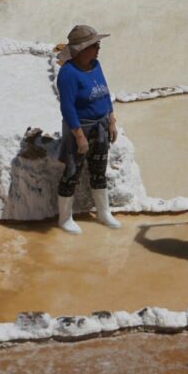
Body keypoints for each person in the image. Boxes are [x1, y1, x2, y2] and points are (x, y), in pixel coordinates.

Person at [54, 23, 121, 235]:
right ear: (81, 49)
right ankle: (64, 218)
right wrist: (79, 136)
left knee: (99, 169)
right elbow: (67, 108)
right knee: (72, 171)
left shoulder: (96, 65)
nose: (98, 49)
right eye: (95, 45)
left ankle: (103, 212)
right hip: (80, 128)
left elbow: (104, 91)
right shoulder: (68, 73)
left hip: (100, 126)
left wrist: (111, 119)